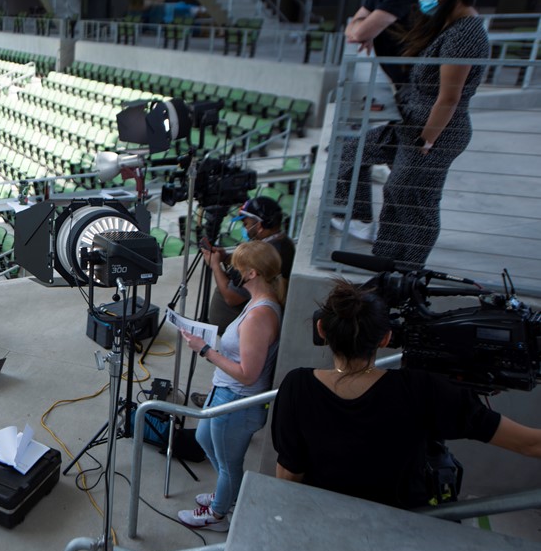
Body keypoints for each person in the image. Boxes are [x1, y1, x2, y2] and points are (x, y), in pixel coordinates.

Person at [272, 279, 541, 509]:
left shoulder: (297, 386)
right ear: (385, 339)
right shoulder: (423, 389)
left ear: (321, 331)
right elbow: (529, 444)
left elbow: (288, 473)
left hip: (320, 520)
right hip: (400, 529)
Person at [368, 0, 490, 270]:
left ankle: (407, 272)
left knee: (416, 202)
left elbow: (449, 97)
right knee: (397, 193)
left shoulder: (466, 34)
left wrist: (427, 140)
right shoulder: (451, 27)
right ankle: (385, 264)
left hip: (437, 133)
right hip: (417, 125)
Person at [177, 241, 285, 532]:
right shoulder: (258, 301)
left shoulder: (260, 315)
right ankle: (228, 492)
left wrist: (205, 350)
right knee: (204, 439)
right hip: (224, 392)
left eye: (237, 266)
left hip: (238, 399)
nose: (232, 270)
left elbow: (248, 375)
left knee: (228, 463)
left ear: (251, 273)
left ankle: (217, 514)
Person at [332, 0, 424, 242]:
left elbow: (359, 31)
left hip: (421, 96)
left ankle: (390, 241)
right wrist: (368, 28)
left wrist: (369, 29)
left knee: (406, 185)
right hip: (404, 95)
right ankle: (365, 222)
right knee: (356, 153)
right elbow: (353, 28)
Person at [205, 197, 295, 333]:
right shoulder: (283, 243)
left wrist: (215, 265)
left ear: (259, 225)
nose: (245, 228)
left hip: (241, 332)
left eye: (246, 224)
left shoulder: (265, 253)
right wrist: (226, 258)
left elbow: (231, 298)